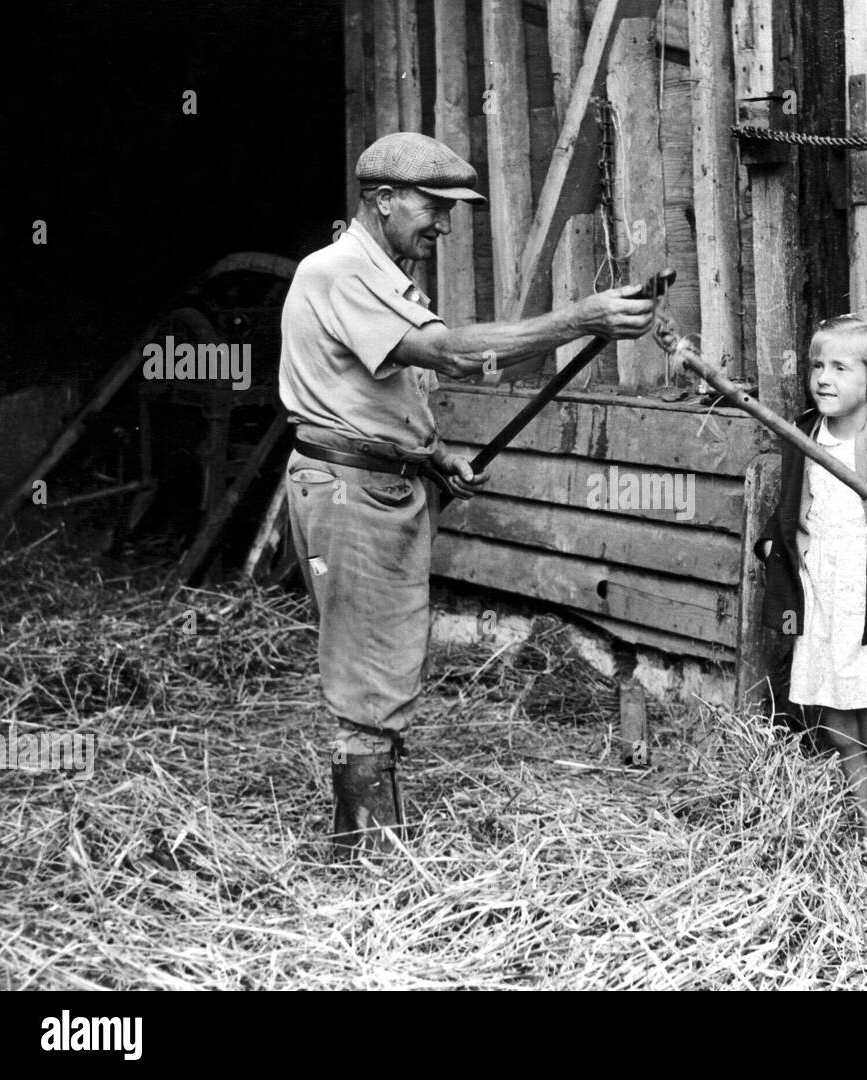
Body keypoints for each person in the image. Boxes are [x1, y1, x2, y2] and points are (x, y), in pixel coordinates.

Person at [279, 131, 655, 856]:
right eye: (434, 207)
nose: (445, 226)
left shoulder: (382, 276)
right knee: (367, 667)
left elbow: (372, 395)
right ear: (383, 201)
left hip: (383, 479)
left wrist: (433, 453)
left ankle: (373, 828)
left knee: (384, 657)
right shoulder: (337, 272)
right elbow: (448, 352)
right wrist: (580, 320)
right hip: (352, 492)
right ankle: (367, 848)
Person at [756, 319, 867, 860]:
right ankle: (862, 822)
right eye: (817, 366)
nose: (823, 379)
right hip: (821, 593)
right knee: (834, 718)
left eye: (840, 367)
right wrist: (771, 541)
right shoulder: (804, 430)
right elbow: (794, 501)